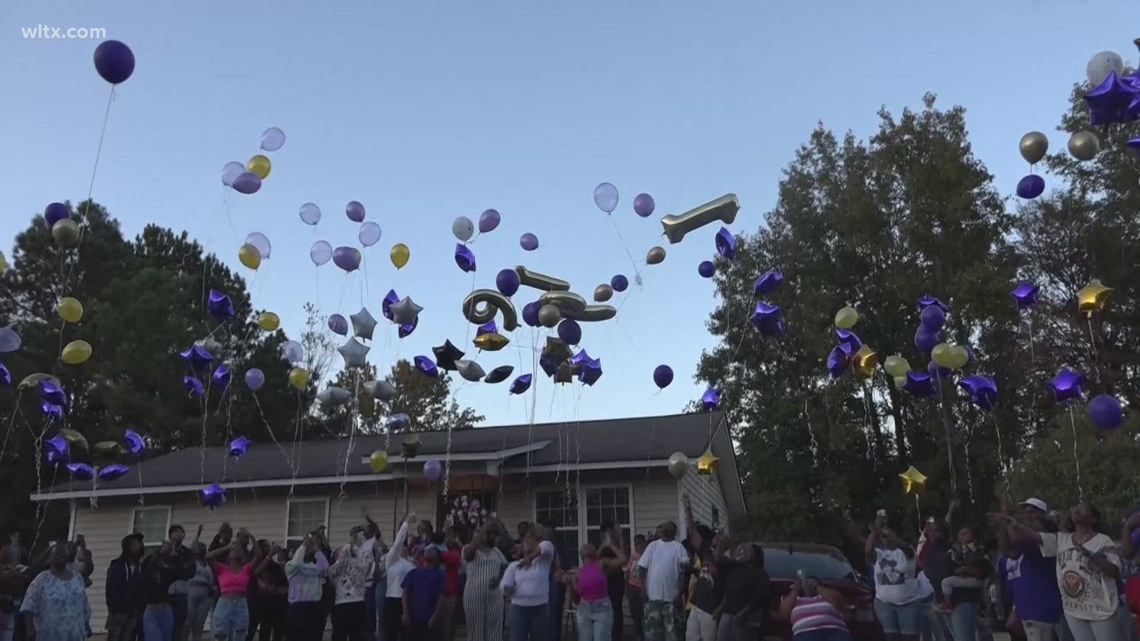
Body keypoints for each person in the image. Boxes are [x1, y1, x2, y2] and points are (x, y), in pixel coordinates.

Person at [997, 502, 1122, 641]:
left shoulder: (1103, 541)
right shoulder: (1062, 539)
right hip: (1074, 609)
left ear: (1094, 519)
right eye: (1075, 508)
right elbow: (1034, 536)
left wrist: (1090, 556)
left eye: (1083, 508)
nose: (1077, 510)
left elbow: (1114, 571)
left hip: (1100, 608)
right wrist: (1012, 524)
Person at [997, 501, 1066, 641]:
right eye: (1026, 513)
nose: (1028, 517)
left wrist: (1011, 524)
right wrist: (1006, 525)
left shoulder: (1052, 539)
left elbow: (1026, 538)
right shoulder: (1025, 545)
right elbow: (1009, 549)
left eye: (1033, 512)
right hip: (1028, 607)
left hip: (1043, 606)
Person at [860, 512, 923, 641]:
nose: (886, 539)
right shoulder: (879, 554)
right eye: (883, 537)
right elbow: (868, 551)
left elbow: (908, 549)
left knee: (910, 638)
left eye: (889, 536)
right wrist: (876, 530)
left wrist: (894, 539)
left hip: (908, 603)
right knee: (891, 637)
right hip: (884, 604)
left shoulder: (906, 552)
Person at [19, 541, 91, 641]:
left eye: (63, 553)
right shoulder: (42, 579)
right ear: (50, 558)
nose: (60, 556)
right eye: (56, 554)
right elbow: (28, 605)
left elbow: (84, 604)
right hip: (48, 635)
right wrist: (30, 629)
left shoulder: (77, 578)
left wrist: (87, 624)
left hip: (74, 635)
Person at [561, 539, 628, 641]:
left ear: (593, 552)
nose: (586, 547)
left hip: (602, 608)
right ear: (581, 555)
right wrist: (570, 585)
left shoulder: (601, 563)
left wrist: (610, 545)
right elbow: (576, 600)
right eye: (584, 547)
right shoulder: (579, 574)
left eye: (589, 547)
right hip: (585, 608)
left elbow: (623, 560)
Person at [637, 521, 690, 641]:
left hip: (671, 601)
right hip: (652, 600)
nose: (665, 529)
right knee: (652, 635)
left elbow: (684, 572)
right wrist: (642, 589)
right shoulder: (652, 546)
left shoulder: (679, 548)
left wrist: (680, 593)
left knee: (672, 635)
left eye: (668, 527)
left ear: (674, 531)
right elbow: (641, 568)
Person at [681, 494, 724, 641]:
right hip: (697, 604)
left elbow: (730, 590)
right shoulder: (705, 552)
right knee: (690, 637)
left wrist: (721, 608)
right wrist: (688, 511)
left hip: (711, 608)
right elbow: (693, 533)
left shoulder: (726, 562)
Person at [207, 528, 263, 641]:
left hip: (241, 604)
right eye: (234, 549)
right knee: (220, 635)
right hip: (224, 604)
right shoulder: (222, 569)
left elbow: (258, 556)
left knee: (239, 635)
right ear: (229, 555)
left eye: (238, 549)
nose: (236, 550)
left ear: (243, 556)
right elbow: (208, 557)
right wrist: (227, 548)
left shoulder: (246, 568)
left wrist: (251, 536)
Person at [501, 528, 556, 641]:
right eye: (526, 539)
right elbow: (505, 585)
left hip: (540, 609)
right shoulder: (515, 566)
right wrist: (507, 588)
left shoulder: (543, 562)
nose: (528, 542)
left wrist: (531, 558)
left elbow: (548, 545)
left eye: (531, 539)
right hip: (519, 609)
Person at [940, 525, 991, 641]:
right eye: (960, 533)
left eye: (965, 533)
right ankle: (946, 603)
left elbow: (984, 569)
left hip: (966, 598)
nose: (961, 536)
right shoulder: (957, 551)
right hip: (960, 596)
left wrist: (966, 570)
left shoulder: (976, 550)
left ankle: (947, 603)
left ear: (975, 537)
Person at [142, 540, 196, 641]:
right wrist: (161, 552)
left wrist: (175, 555)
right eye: (161, 560)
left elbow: (185, 572)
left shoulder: (166, 574)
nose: (163, 562)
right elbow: (148, 564)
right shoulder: (147, 575)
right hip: (151, 611)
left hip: (166, 611)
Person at [462, 523, 509, 641]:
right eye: (478, 531)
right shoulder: (468, 549)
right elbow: (468, 556)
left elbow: (506, 568)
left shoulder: (495, 551)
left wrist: (500, 579)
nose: (481, 533)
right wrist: (477, 538)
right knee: (475, 628)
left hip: (494, 595)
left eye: (483, 531)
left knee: (494, 627)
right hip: (474, 594)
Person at [329, 526, 376, 641]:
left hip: (358, 603)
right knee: (339, 636)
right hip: (342, 605)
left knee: (357, 636)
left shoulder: (360, 568)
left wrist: (361, 543)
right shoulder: (333, 570)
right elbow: (342, 559)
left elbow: (368, 561)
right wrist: (351, 540)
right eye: (339, 553)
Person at [716, 543, 769, 641]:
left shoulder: (760, 574)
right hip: (728, 614)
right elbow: (718, 560)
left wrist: (745, 612)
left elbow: (760, 597)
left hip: (747, 617)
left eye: (749, 551)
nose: (744, 552)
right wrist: (720, 542)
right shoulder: (734, 568)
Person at [285, 532, 331, 641]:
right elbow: (297, 563)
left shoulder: (314, 567)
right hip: (297, 608)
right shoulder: (290, 566)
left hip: (315, 608)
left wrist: (315, 548)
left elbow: (325, 567)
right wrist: (304, 545)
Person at [780, 574, 851, 641]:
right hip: (805, 632)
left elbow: (837, 599)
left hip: (834, 630)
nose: (809, 584)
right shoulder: (797, 600)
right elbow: (784, 611)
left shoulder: (826, 596)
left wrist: (817, 587)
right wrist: (795, 589)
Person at [382, 513, 417, 641]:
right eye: (401, 546)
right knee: (390, 635)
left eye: (405, 547)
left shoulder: (412, 565)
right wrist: (406, 522)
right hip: (391, 600)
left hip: (406, 602)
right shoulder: (392, 560)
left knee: (406, 635)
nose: (403, 548)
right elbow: (397, 543)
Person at [106, 533, 147, 641]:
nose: (138, 546)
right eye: (134, 544)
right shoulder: (117, 566)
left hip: (137, 612)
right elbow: (111, 591)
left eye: (139, 544)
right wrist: (114, 611)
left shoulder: (142, 566)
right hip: (119, 614)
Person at [402, 547, 446, 638]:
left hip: (429, 620)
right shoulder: (413, 573)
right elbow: (405, 593)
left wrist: (435, 616)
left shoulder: (439, 575)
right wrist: (405, 612)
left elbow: (442, 598)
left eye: (432, 551)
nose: (429, 551)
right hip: (414, 618)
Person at [250, 543, 289, 641]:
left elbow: (284, 573)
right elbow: (257, 572)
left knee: (268, 630)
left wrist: (282, 558)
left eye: (269, 546)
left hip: (272, 601)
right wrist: (270, 554)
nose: (269, 548)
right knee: (253, 630)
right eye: (266, 546)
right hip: (258, 601)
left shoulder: (273, 564)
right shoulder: (256, 561)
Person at [166, 525, 197, 640]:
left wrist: (174, 569)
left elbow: (190, 572)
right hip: (166, 595)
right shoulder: (165, 551)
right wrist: (178, 568)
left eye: (181, 532)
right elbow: (163, 570)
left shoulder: (188, 553)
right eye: (175, 531)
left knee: (179, 628)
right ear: (170, 535)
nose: (178, 534)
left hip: (182, 594)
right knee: (166, 626)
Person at [183, 543, 213, 641]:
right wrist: (198, 534)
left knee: (199, 626)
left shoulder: (207, 565)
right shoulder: (190, 561)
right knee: (187, 622)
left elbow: (211, 580)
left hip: (205, 594)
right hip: (191, 590)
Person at [627, 535, 648, 641]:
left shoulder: (648, 556)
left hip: (643, 589)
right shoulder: (633, 556)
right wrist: (628, 588)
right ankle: (638, 636)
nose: (637, 547)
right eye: (635, 544)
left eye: (639, 544)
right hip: (632, 588)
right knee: (635, 616)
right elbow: (628, 571)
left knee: (644, 615)